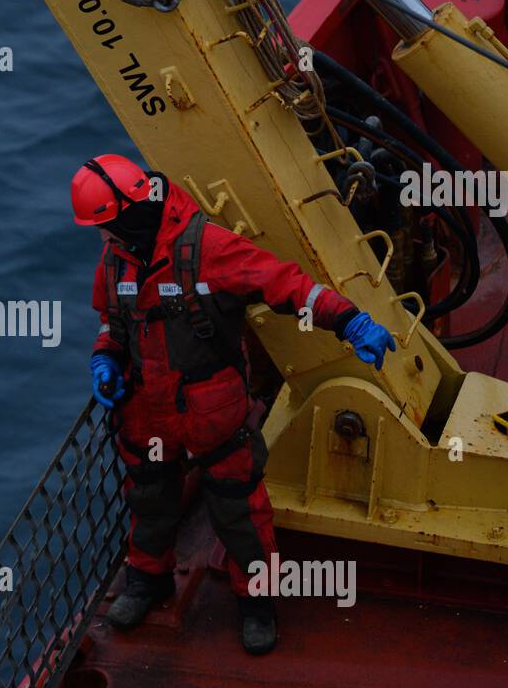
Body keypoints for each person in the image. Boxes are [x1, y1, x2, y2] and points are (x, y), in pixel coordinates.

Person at [74, 154, 395, 654]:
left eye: (105, 227)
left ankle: (257, 603)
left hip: (212, 409)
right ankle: (147, 580)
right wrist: (105, 360)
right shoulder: (118, 257)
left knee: (239, 509)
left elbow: (287, 285)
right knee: (149, 500)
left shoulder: (208, 248)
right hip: (147, 412)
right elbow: (111, 324)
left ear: (128, 213)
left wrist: (348, 321)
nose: (102, 238)